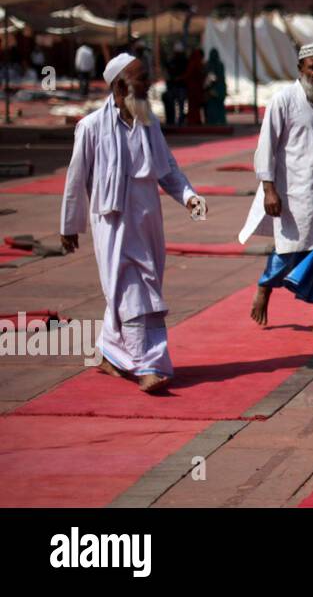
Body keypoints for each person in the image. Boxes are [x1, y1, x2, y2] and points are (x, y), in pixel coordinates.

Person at [59, 53, 203, 393]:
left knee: (132, 292)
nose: (149, 83)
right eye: (141, 78)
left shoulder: (149, 123)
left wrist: (190, 197)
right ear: (121, 85)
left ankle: (109, 351)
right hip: (113, 225)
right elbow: (75, 179)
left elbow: (168, 169)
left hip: (148, 222)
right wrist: (69, 225)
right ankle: (147, 365)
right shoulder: (91, 127)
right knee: (134, 295)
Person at [242, 44, 313, 339]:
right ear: (300, 69)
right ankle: (266, 286)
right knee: (288, 251)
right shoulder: (283, 100)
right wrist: (269, 190)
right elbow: (266, 147)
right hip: (291, 191)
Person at [163, 41, 188, 126]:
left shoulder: (184, 61)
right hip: (174, 86)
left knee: (181, 105)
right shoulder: (172, 61)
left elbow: (186, 74)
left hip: (181, 86)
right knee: (173, 104)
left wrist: (180, 78)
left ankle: (180, 120)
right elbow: (169, 72)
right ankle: (173, 120)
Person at [204, 48, 228, 125]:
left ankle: (217, 122)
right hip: (215, 89)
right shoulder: (217, 64)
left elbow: (214, 78)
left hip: (216, 89)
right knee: (214, 107)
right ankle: (215, 122)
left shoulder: (215, 65)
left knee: (216, 106)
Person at [184, 48, 206, 125]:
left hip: (194, 88)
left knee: (194, 106)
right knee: (194, 106)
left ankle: (194, 120)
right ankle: (194, 120)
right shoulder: (196, 63)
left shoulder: (193, 63)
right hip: (194, 88)